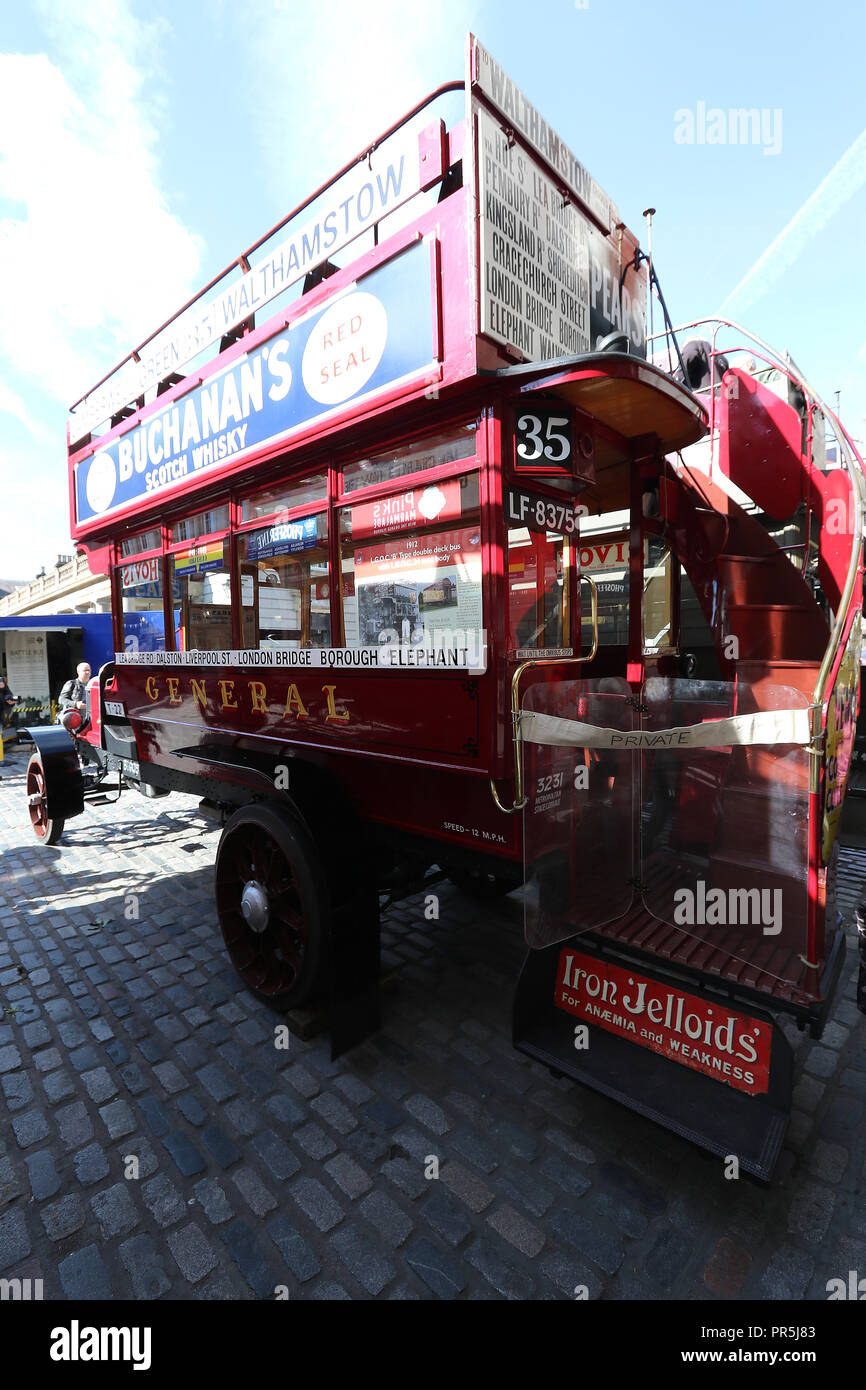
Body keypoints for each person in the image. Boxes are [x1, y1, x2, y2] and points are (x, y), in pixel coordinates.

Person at [58, 662, 92, 729]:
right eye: (85, 670)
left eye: (89, 670)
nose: (88, 672)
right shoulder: (71, 684)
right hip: (74, 721)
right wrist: (75, 704)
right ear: (78, 672)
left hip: (90, 721)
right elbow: (61, 699)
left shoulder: (94, 685)